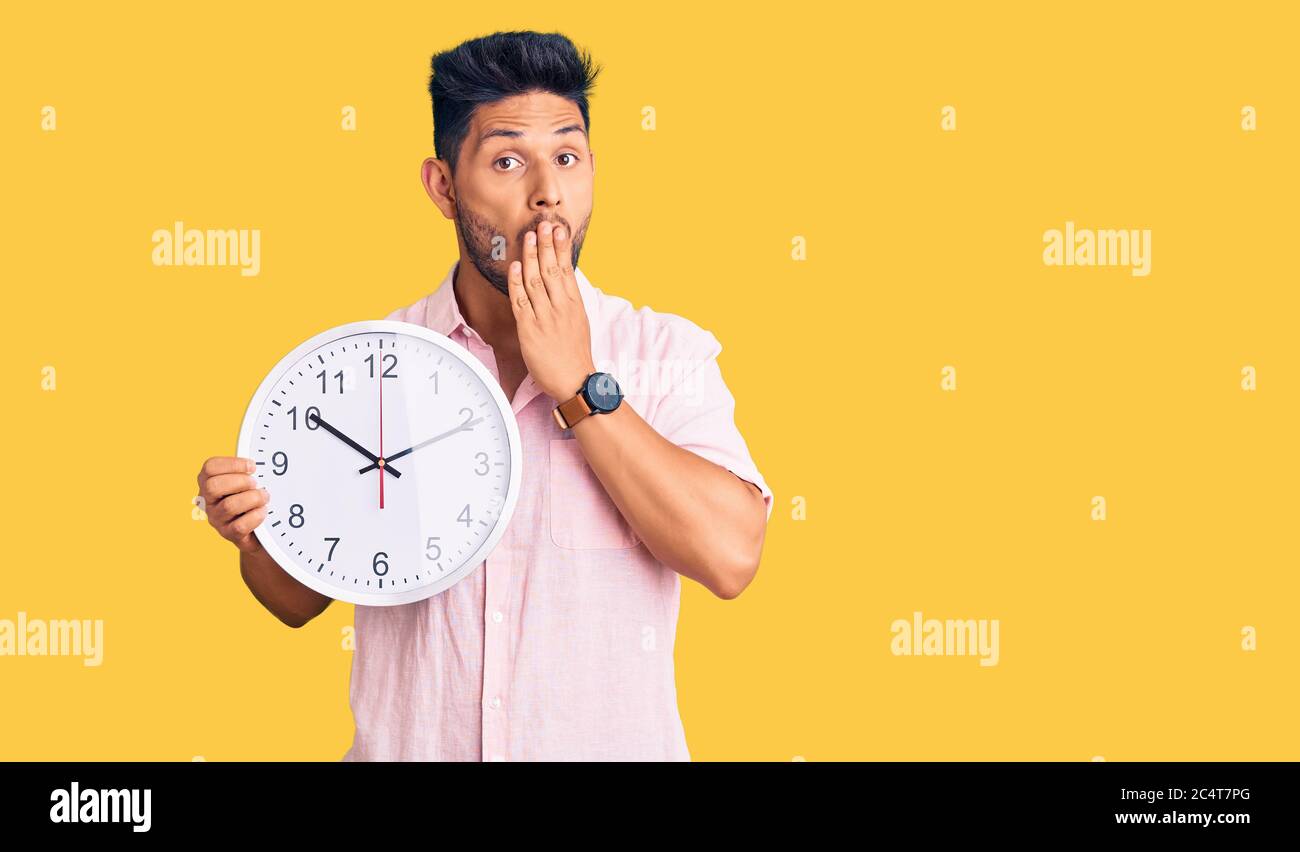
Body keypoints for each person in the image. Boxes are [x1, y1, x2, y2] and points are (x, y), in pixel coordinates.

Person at [196, 30, 773, 761]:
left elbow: (730, 557)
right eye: (507, 161)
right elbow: (297, 601)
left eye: (567, 157)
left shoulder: (666, 354)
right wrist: (254, 534)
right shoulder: (369, 368)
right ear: (443, 187)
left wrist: (578, 387)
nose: (547, 193)